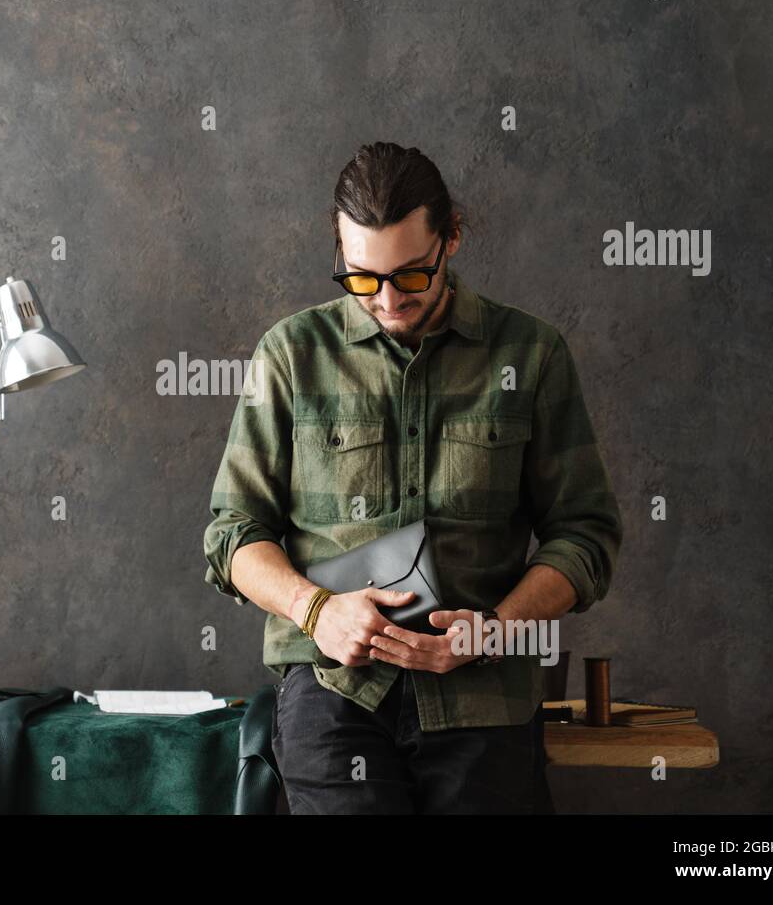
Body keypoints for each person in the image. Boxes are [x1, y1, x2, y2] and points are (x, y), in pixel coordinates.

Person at [202, 142, 624, 814]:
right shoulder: (290, 354)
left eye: (411, 275)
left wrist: (497, 626)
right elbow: (233, 534)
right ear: (338, 250)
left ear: (450, 238)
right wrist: (318, 611)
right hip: (335, 694)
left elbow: (586, 535)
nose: (389, 299)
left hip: (485, 698)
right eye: (363, 278)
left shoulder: (532, 354)